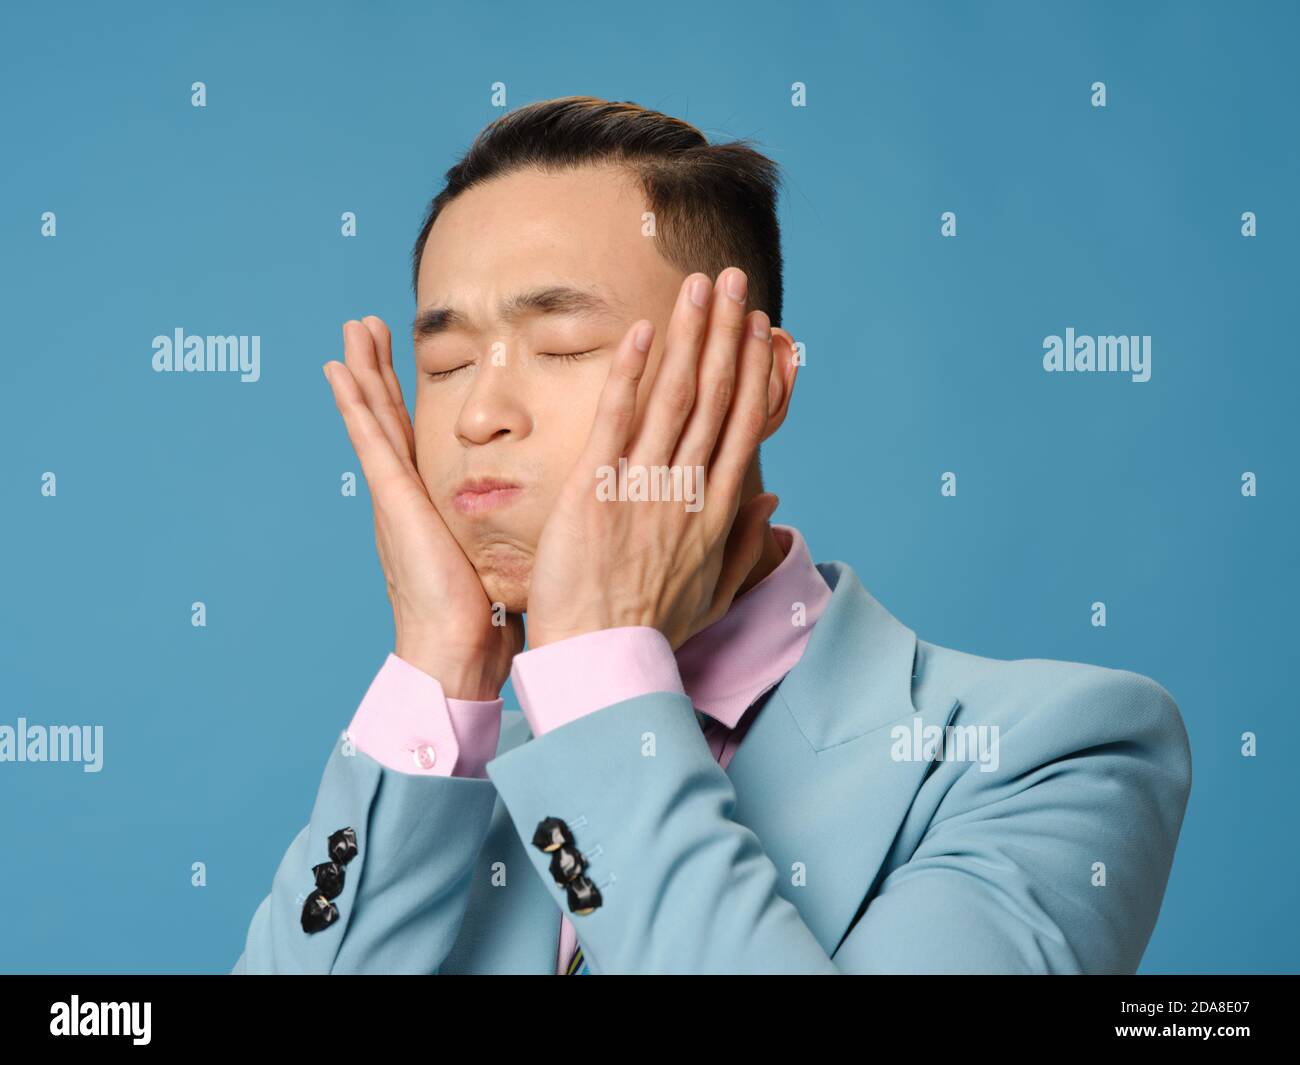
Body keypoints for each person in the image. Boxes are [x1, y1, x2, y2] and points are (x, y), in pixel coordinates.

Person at [231, 96, 1191, 975]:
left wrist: (597, 660)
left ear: (754, 377)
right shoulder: (440, 769)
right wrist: (439, 668)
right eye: (442, 363)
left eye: (563, 347)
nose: (480, 412)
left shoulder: (1054, 753)